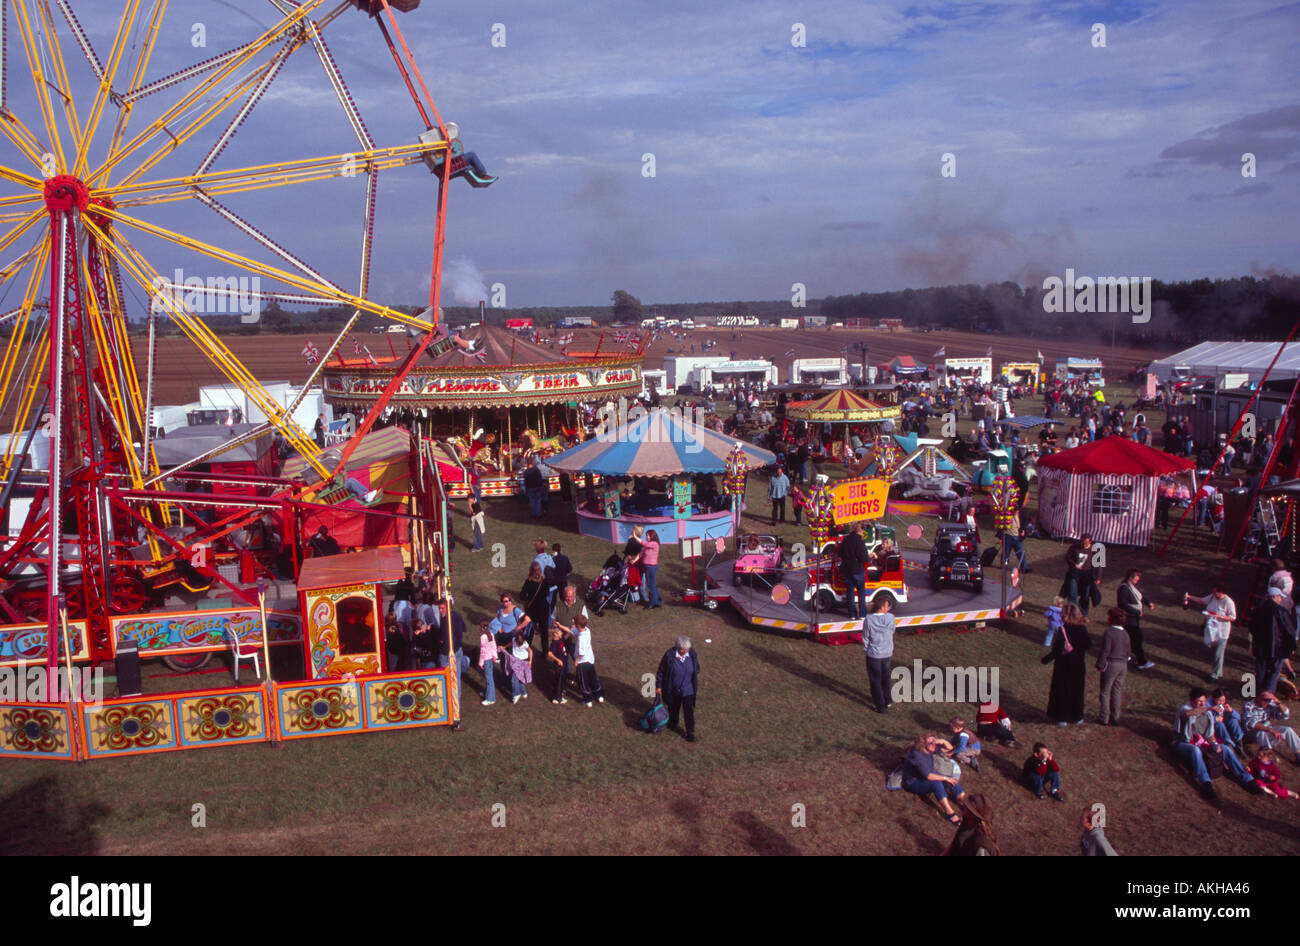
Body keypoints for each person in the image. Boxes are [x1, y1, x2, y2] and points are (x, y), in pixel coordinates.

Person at [1172, 687, 1254, 802]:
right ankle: (1205, 783)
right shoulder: (1185, 709)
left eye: (1204, 702)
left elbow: (1209, 735)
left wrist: (1215, 743)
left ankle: (1246, 779)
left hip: (1200, 741)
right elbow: (1189, 714)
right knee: (1195, 750)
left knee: (1225, 748)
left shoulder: (1207, 713)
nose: (1202, 704)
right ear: (1192, 701)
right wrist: (1209, 708)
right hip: (1182, 742)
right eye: (1199, 701)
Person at [1042, 602, 1092, 725]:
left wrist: (1045, 660)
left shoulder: (1062, 630)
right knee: (1077, 691)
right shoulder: (1082, 629)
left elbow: (1057, 650)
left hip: (1063, 666)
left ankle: (1061, 717)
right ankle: (1077, 716)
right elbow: (1088, 645)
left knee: (1062, 691)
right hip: (1078, 666)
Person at [902, 732, 967, 825]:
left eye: (935, 742)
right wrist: (945, 778)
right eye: (931, 743)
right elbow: (929, 776)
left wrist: (943, 741)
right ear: (923, 744)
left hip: (928, 775)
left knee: (950, 779)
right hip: (914, 782)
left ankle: (965, 802)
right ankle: (950, 813)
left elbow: (950, 749)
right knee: (936, 783)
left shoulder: (930, 748)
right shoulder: (917, 755)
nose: (934, 745)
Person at [1183, 586, 1237, 682]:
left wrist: (1219, 616)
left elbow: (1233, 617)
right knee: (1214, 652)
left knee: (1218, 654)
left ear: (1222, 592)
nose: (1214, 594)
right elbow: (1202, 600)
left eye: (1216, 593)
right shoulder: (1212, 597)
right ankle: (1217, 671)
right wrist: (1190, 597)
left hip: (1222, 632)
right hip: (1211, 629)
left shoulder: (1228, 602)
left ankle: (1215, 675)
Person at [655, 635, 701, 742]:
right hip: (673, 689)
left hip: (688, 690)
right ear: (676, 647)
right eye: (682, 649)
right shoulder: (669, 655)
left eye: (686, 649)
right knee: (673, 708)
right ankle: (673, 723)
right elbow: (661, 671)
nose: (684, 651)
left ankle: (690, 733)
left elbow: (697, 668)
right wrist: (659, 686)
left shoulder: (693, 654)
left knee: (688, 711)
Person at [1251, 588, 1296, 695]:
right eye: (1280, 596)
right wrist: (1292, 646)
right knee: (1274, 673)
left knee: (1261, 671)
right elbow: (1289, 631)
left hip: (1260, 647)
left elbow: (1252, 628)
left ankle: (1259, 693)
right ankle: (1268, 694)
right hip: (1278, 648)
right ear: (1275, 596)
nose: (1281, 599)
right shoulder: (1282, 611)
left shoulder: (1258, 610)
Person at [1096, 606, 1132, 726]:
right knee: (1117, 690)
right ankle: (1115, 717)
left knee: (1105, 691)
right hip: (1123, 665)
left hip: (1111, 664)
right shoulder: (1125, 633)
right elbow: (1129, 651)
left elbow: (1105, 650)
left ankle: (1103, 717)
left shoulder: (1109, 632)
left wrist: (1100, 664)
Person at [435, 596, 469, 724]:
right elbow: (464, 628)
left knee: (449, 680)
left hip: (449, 653)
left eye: (442, 608)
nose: (441, 611)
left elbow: (443, 639)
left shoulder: (445, 620)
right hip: (458, 650)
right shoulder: (457, 615)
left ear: (448, 607)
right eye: (439, 608)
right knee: (457, 678)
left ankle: (452, 710)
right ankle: (455, 708)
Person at [1241, 691, 1300, 760]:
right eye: (1264, 699)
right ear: (1258, 697)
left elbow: (1285, 715)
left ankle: (1298, 753)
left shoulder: (1269, 704)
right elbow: (1251, 724)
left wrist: (1278, 702)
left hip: (1267, 730)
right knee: (1261, 733)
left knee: (1287, 729)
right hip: (1250, 733)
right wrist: (1271, 730)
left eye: (1269, 700)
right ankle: (1268, 756)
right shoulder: (1248, 706)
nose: (1266, 702)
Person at [1116, 569, 1156, 670]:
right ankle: (1142, 662)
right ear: (1130, 577)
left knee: (1130, 639)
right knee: (1136, 639)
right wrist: (1137, 612)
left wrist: (1148, 602)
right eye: (1136, 578)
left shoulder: (1131, 586)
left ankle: (1125, 655)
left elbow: (1140, 596)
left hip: (1133, 618)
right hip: (1129, 618)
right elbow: (1122, 604)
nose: (1138, 579)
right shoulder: (1124, 588)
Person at [863, 595, 895, 714]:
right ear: (882, 607)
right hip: (887, 653)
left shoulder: (869, 619)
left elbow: (866, 636)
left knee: (875, 680)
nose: (889, 608)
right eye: (887, 606)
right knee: (885, 677)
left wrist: (867, 650)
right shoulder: (891, 618)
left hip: (874, 654)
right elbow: (892, 631)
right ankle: (888, 700)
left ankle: (880, 706)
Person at [1062, 534, 1100, 618]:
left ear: (1090, 541)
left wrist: (1097, 578)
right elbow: (1067, 557)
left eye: (1085, 543)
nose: (1083, 544)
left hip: (1087, 576)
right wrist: (1073, 564)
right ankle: (1072, 613)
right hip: (1074, 574)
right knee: (1072, 594)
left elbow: (1098, 565)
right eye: (1082, 542)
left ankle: (1084, 614)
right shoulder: (1074, 547)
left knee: (1085, 596)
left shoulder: (1095, 550)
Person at [571, 613, 605, 707]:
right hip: (590, 660)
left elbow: (581, 653)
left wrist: (576, 660)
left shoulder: (581, 638)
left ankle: (587, 699)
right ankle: (599, 695)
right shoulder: (587, 630)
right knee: (593, 678)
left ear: (578, 625)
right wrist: (560, 626)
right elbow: (573, 631)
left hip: (582, 663)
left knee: (583, 681)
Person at [839, 522, 869, 620]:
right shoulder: (860, 541)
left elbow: (840, 553)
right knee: (861, 592)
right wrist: (869, 558)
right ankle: (862, 614)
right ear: (860, 530)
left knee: (850, 592)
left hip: (847, 568)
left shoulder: (846, 539)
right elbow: (864, 557)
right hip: (857, 569)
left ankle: (852, 614)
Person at [518, 562, 551, 650]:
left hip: (532, 610)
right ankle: (545, 651)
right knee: (544, 632)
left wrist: (528, 598)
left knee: (530, 630)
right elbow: (547, 593)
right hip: (544, 609)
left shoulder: (528, 581)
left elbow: (522, 596)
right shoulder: (545, 580)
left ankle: (526, 649)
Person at [504, 631, 532, 704]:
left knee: (517, 679)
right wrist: (505, 647)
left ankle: (517, 693)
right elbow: (511, 644)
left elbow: (530, 652)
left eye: (521, 644)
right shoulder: (513, 640)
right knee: (516, 677)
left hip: (523, 661)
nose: (519, 645)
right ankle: (521, 692)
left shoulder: (525, 644)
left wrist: (530, 661)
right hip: (516, 661)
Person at [545, 627, 570, 704]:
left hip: (564, 663)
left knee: (561, 679)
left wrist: (560, 626)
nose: (562, 633)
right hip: (560, 665)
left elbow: (569, 632)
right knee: (558, 681)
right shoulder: (554, 643)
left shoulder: (560, 640)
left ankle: (559, 693)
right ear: (555, 634)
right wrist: (558, 660)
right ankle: (557, 698)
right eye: (560, 632)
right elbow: (549, 653)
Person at [639, 529, 663, 609]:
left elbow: (645, 544)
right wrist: (632, 560)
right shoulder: (646, 546)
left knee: (650, 585)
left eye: (647, 535)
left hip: (651, 568)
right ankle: (658, 601)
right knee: (652, 585)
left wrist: (636, 537)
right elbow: (640, 554)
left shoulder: (654, 544)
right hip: (647, 567)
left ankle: (652, 603)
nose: (646, 537)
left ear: (652, 536)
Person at [477, 620, 499, 706]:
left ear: (482, 627)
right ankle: (488, 693)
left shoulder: (483, 637)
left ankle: (490, 698)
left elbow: (483, 651)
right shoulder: (491, 634)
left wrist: (480, 662)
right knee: (490, 678)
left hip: (486, 660)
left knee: (489, 680)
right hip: (490, 659)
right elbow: (494, 647)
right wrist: (495, 656)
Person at [624, 524, 645, 604]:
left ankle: (634, 596)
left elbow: (627, 551)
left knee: (632, 578)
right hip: (636, 562)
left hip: (632, 561)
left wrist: (629, 556)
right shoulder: (636, 542)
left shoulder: (631, 540)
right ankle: (639, 597)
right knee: (638, 579)